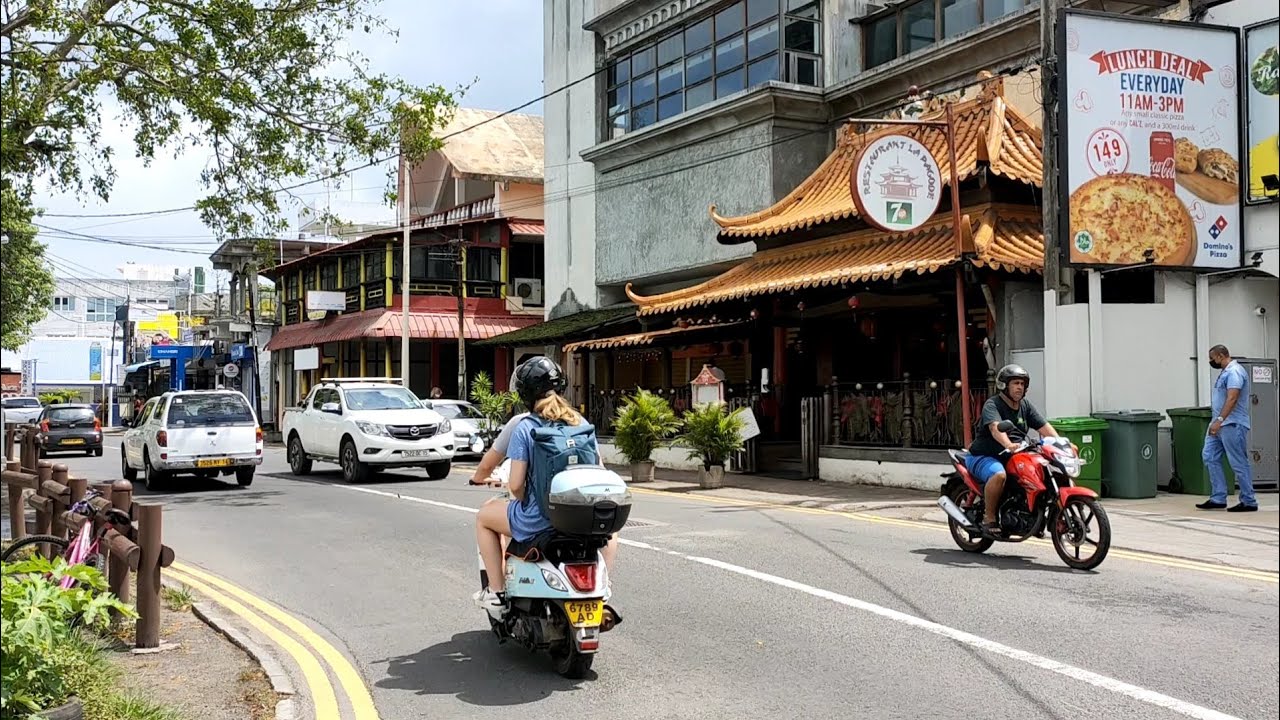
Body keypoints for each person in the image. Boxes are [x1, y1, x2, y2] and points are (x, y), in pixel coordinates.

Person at [472, 356, 619, 615]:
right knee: (611, 532)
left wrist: (521, 495)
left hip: (538, 520)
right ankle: (603, 584)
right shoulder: (582, 424)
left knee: (484, 517)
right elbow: (600, 471)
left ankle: (496, 592)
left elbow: (516, 486)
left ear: (525, 394)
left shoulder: (525, 427)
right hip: (582, 519)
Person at [964, 364, 1060, 534]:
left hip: (1013, 455)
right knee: (998, 475)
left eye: (1022, 384)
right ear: (1004, 385)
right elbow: (995, 428)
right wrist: (1008, 444)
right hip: (985, 455)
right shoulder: (992, 404)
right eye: (1015, 383)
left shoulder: (1025, 406)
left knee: (1039, 472)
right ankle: (990, 517)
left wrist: (1060, 443)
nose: (1019, 387)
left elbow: (1044, 427)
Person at [1197, 345, 1257, 512]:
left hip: (1232, 424)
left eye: (1212, 358)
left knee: (1238, 461)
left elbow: (1232, 398)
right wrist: (1215, 422)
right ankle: (1218, 497)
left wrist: (1220, 419)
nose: (1211, 361)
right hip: (1218, 424)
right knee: (1209, 456)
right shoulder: (1224, 373)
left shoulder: (1234, 372)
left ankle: (1249, 500)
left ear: (1221, 355)